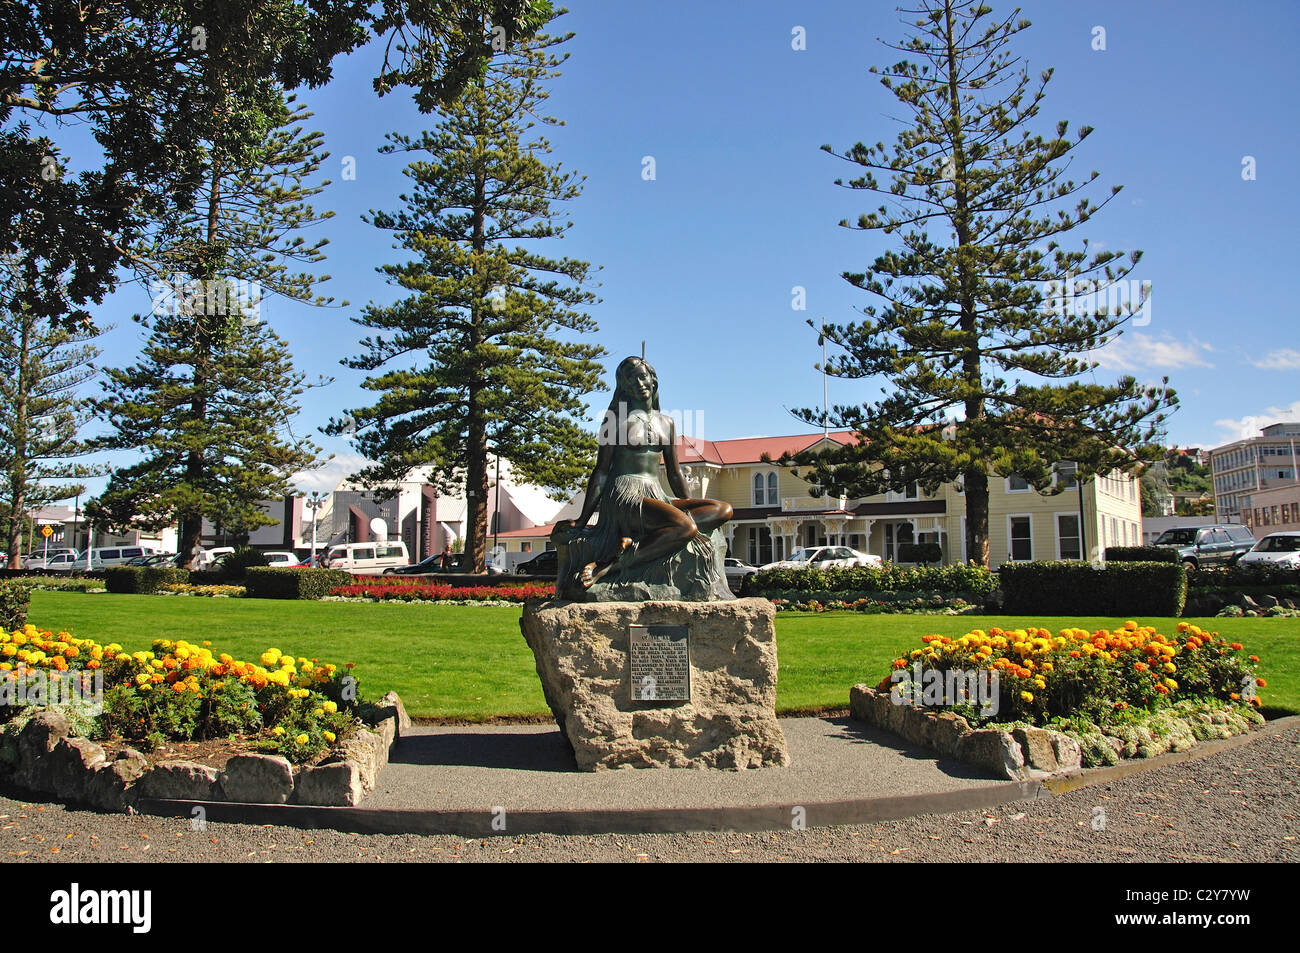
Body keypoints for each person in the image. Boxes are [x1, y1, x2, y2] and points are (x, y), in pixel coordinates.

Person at [558, 356, 732, 593]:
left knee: (723, 510)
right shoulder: (614, 420)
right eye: (630, 379)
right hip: (624, 496)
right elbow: (600, 472)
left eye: (642, 376)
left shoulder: (667, 423)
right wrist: (582, 519)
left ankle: (643, 539)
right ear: (624, 387)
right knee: (686, 528)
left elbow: (674, 472)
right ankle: (610, 565)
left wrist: (685, 503)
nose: (638, 383)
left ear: (653, 379)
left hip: (655, 496)